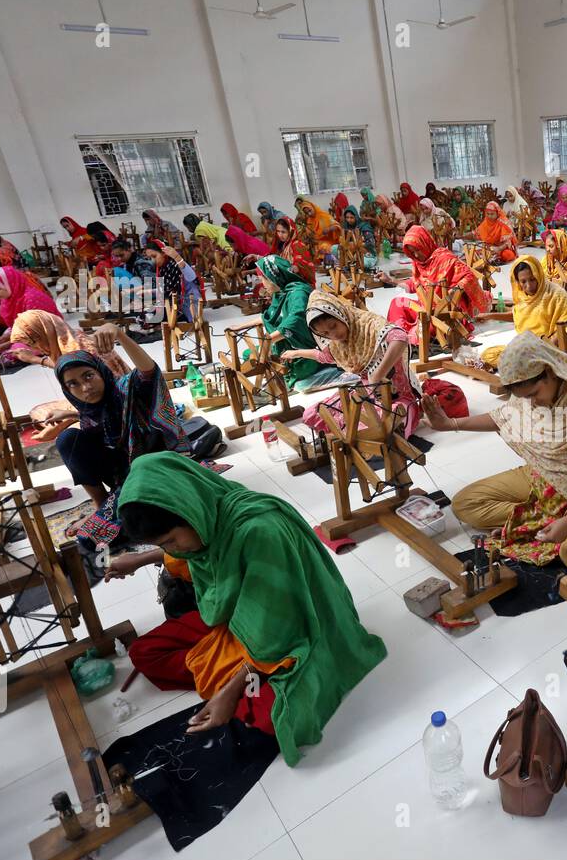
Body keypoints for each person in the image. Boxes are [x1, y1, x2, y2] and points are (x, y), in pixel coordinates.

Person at [115, 452, 386, 765]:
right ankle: (224, 672)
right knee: (144, 652)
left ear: (188, 510)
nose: (171, 550)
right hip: (239, 617)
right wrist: (139, 559)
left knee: (277, 717)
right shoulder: (210, 507)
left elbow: (277, 631)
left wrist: (229, 693)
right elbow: (194, 558)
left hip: (299, 624)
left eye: (170, 540)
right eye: (162, 545)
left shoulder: (258, 530)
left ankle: (228, 677)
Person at [425, 332, 567, 581]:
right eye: (525, 397)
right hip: (546, 477)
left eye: (534, 393)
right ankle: (544, 517)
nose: (532, 403)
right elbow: (504, 416)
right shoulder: (529, 390)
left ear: (551, 370)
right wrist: (451, 424)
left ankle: (558, 524)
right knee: (466, 505)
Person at [49, 323, 186, 545]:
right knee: (67, 440)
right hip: (122, 474)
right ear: (67, 390)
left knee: (96, 537)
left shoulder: (127, 389)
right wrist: (68, 414)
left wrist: (120, 334)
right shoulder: (88, 411)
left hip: (154, 468)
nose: (85, 388)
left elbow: (149, 372)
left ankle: (125, 508)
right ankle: (102, 504)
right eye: (73, 384)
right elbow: (104, 420)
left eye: (88, 376)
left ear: (101, 372)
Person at [296, 292, 422, 434]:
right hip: (366, 393)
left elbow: (400, 337)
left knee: (385, 425)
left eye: (333, 326)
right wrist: (296, 353)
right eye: (325, 334)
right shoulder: (338, 343)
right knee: (314, 414)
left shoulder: (367, 323)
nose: (333, 335)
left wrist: (377, 374)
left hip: (396, 397)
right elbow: (324, 357)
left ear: (340, 314)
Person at [254, 255, 345, 391]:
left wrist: (269, 341)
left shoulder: (298, 293)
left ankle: (333, 372)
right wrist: (240, 327)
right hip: (291, 344)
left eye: (263, 280)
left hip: (310, 346)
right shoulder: (281, 293)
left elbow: (296, 319)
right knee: (251, 354)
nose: (263, 284)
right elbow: (271, 315)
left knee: (298, 377)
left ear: (273, 278)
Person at [385, 225, 489, 337]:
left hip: (446, 313)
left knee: (421, 332)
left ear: (425, 243)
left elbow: (469, 276)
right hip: (427, 309)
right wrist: (391, 281)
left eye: (417, 250)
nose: (415, 255)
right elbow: (417, 283)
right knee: (396, 303)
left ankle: (404, 337)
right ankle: (398, 336)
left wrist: (454, 291)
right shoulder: (418, 263)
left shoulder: (445, 258)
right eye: (411, 252)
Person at [0, 266, 62, 364]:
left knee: (16, 350)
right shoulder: (9, 299)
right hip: (25, 335)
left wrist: (1, 347)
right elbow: (16, 328)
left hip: (48, 336)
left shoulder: (32, 298)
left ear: (10, 284)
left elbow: (35, 333)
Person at [8, 308, 126, 375]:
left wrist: (34, 359)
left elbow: (74, 371)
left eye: (33, 342)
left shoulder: (79, 350)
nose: (35, 349)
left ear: (45, 332)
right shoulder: (70, 339)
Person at [143, 239, 204, 323]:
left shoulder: (176, 263)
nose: (152, 261)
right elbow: (164, 290)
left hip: (188, 305)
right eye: (149, 258)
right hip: (174, 305)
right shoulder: (161, 269)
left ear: (164, 253)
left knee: (151, 317)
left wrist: (177, 257)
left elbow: (191, 277)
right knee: (145, 315)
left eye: (154, 256)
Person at [270, 216, 316, 286]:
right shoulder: (283, 246)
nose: (280, 235)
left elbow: (300, 263)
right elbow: (272, 259)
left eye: (283, 232)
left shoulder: (297, 244)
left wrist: (295, 267)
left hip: (301, 285)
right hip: (289, 281)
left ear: (291, 231)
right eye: (278, 231)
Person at [338, 206, 379, 270]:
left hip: (366, 253)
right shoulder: (346, 226)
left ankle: (354, 262)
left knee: (362, 263)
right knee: (334, 248)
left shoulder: (364, 226)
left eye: (351, 217)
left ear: (356, 217)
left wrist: (355, 245)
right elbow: (343, 242)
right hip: (350, 253)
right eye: (347, 217)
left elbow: (371, 243)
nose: (349, 220)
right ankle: (350, 261)